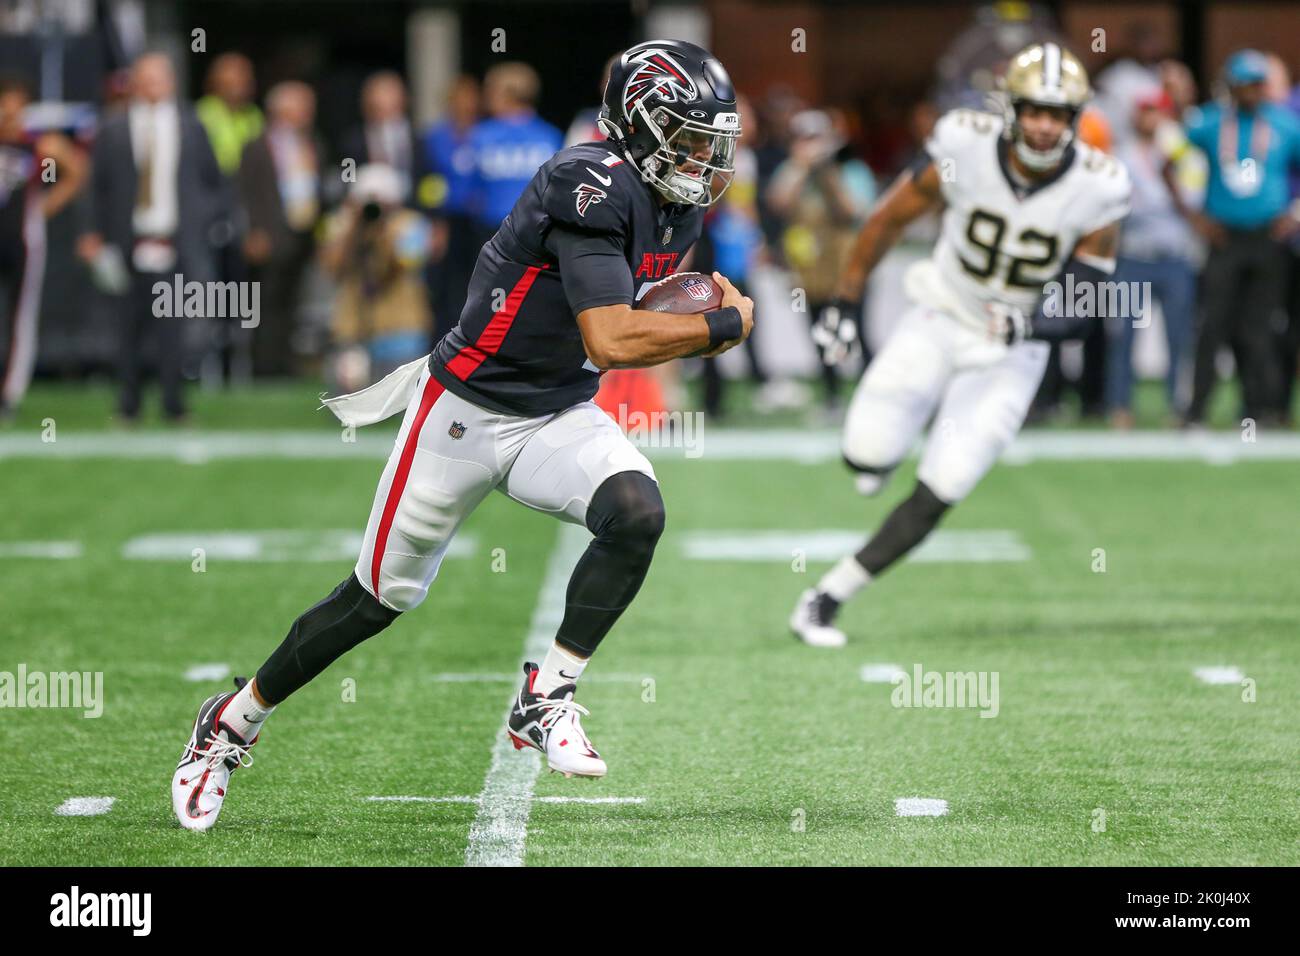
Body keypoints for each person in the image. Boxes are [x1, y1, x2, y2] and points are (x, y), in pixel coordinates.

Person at [170, 40, 753, 830]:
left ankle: (545, 697)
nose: (702, 159)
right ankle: (230, 722)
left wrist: (686, 318)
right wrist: (719, 324)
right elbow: (614, 337)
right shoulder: (584, 181)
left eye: (707, 141)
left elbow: (623, 319)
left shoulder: (676, 198)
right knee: (375, 600)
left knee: (637, 512)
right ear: (639, 124)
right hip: (463, 413)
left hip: (556, 409)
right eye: (686, 137)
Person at [790, 43, 1130, 647]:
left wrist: (1032, 326)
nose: (1045, 126)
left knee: (945, 483)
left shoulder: (1099, 187)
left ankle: (826, 597)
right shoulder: (963, 146)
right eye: (1034, 110)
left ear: (1076, 119)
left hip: (1011, 348)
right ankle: (881, 455)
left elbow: (1088, 297)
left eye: (1058, 114)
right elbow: (889, 217)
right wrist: (844, 300)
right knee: (864, 454)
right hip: (942, 311)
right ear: (1011, 110)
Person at [78, 52, 228, 424]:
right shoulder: (113, 127)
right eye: (144, 78)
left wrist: (201, 223)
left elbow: (214, 182)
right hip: (126, 241)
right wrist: (91, 234)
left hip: (174, 240)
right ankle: (128, 404)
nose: (151, 86)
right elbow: (97, 187)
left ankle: (173, 404)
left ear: (172, 81)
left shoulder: (192, 125)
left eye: (158, 78)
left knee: (173, 327)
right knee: (126, 327)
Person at [1183, 50, 1300, 428]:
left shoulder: (1285, 125)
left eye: (1256, 84)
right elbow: (1170, 158)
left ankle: (1259, 410)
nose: (1250, 92)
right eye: (1243, 84)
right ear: (1231, 87)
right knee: (1213, 325)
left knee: (1260, 327)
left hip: (1268, 238)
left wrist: (1295, 213)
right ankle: (1196, 410)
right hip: (1224, 238)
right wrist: (1193, 217)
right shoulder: (1209, 122)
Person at [1106, 86, 1199, 427]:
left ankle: (1178, 406)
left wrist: (1168, 178)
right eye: (1144, 111)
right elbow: (1120, 206)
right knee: (1123, 334)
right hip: (1134, 256)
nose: (1150, 118)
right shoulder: (1121, 155)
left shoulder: (1184, 155)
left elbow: (1192, 203)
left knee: (1178, 335)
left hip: (1174, 256)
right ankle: (1120, 407)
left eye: (1156, 111)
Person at [0, 74, 86, 420]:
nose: (10, 110)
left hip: (21, 241)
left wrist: (45, 207)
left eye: (17, 103)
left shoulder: (38, 145)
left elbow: (76, 170)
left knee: (20, 317)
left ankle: (8, 393)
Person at [238, 81, 323, 377]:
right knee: (267, 305)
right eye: (302, 106)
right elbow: (246, 194)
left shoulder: (312, 144)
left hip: (302, 236)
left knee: (295, 303)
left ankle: (288, 365)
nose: (308, 113)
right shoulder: (256, 146)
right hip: (269, 237)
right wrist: (252, 231)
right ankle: (265, 369)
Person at [466, 62, 562, 238]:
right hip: (538, 230)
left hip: (492, 231)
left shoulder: (481, 135)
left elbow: (470, 191)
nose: (486, 96)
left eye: (491, 90)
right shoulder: (550, 136)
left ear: (508, 95)